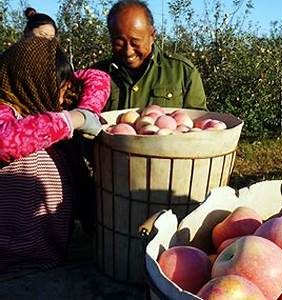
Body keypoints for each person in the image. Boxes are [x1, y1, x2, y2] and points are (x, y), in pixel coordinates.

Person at [0, 37, 110, 272]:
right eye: (59, 90)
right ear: (30, 80)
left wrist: (86, 110)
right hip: (10, 264)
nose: (61, 99)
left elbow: (99, 78)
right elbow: (6, 142)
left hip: (47, 254)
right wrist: (71, 119)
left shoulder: (34, 104)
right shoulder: (5, 111)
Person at [94, 0, 207, 111]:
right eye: (119, 43)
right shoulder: (95, 75)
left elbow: (198, 122)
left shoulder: (182, 73)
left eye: (135, 43)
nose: (128, 51)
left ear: (152, 35)